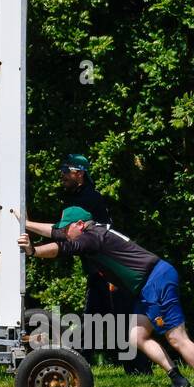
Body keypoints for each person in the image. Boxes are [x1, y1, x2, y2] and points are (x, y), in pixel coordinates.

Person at [15, 206, 194, 387]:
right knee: (137, 336)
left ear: (79, 225)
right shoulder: (92, 230)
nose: (64, 235)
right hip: (147, 284)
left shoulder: (90, 238)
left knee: (176, 337)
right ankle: (178, 380)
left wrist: (33, 251)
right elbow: (55, 231)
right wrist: (26, 224)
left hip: (156, 280)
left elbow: (63, 248)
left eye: (66, 229)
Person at [56, 154, 154, 374]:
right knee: (92, 318)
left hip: (108, 269)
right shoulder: (74, 197)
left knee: (120, 319)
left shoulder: (91, 198)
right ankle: (79, 364)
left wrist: (109, 274)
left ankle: (138, 368)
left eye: (66, 171)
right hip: (96, 269)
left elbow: (102, 239)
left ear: (79, 173)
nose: (61, 175)